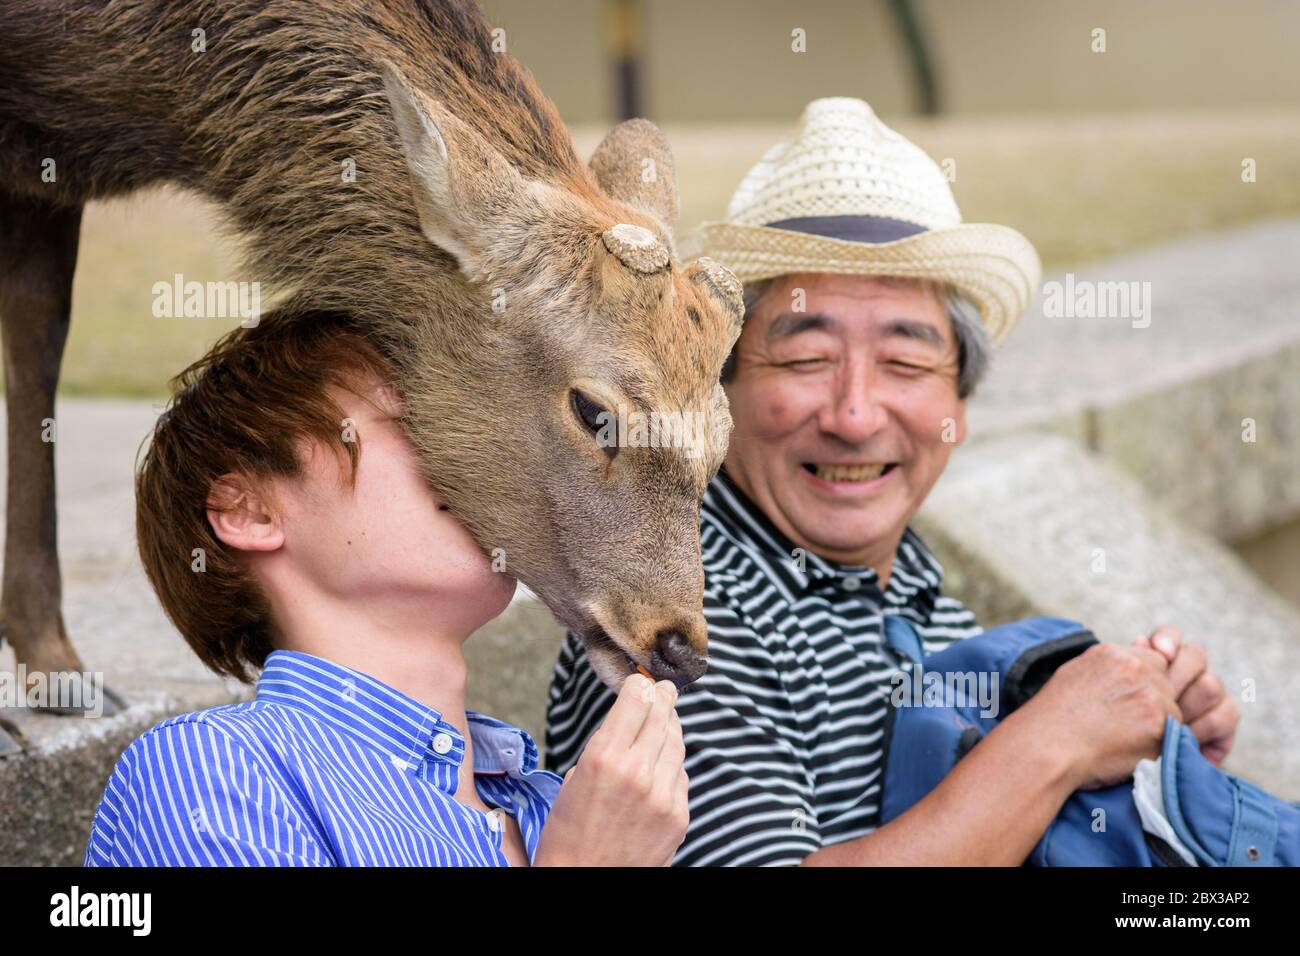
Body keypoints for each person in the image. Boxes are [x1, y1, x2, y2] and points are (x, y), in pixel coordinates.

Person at [545, 98, 1240, 866]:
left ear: (958, 404)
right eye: (807, 359)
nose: (853, 413)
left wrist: (1155, 765)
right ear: (719, 388)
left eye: (906, 364)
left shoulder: (934, 613)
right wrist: (1060, 741)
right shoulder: (678, 620)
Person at [84, 310, 688, 866]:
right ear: (250, 513)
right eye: (415, 420)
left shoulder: (558, 805)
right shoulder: (213, 772)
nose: (481, 459)